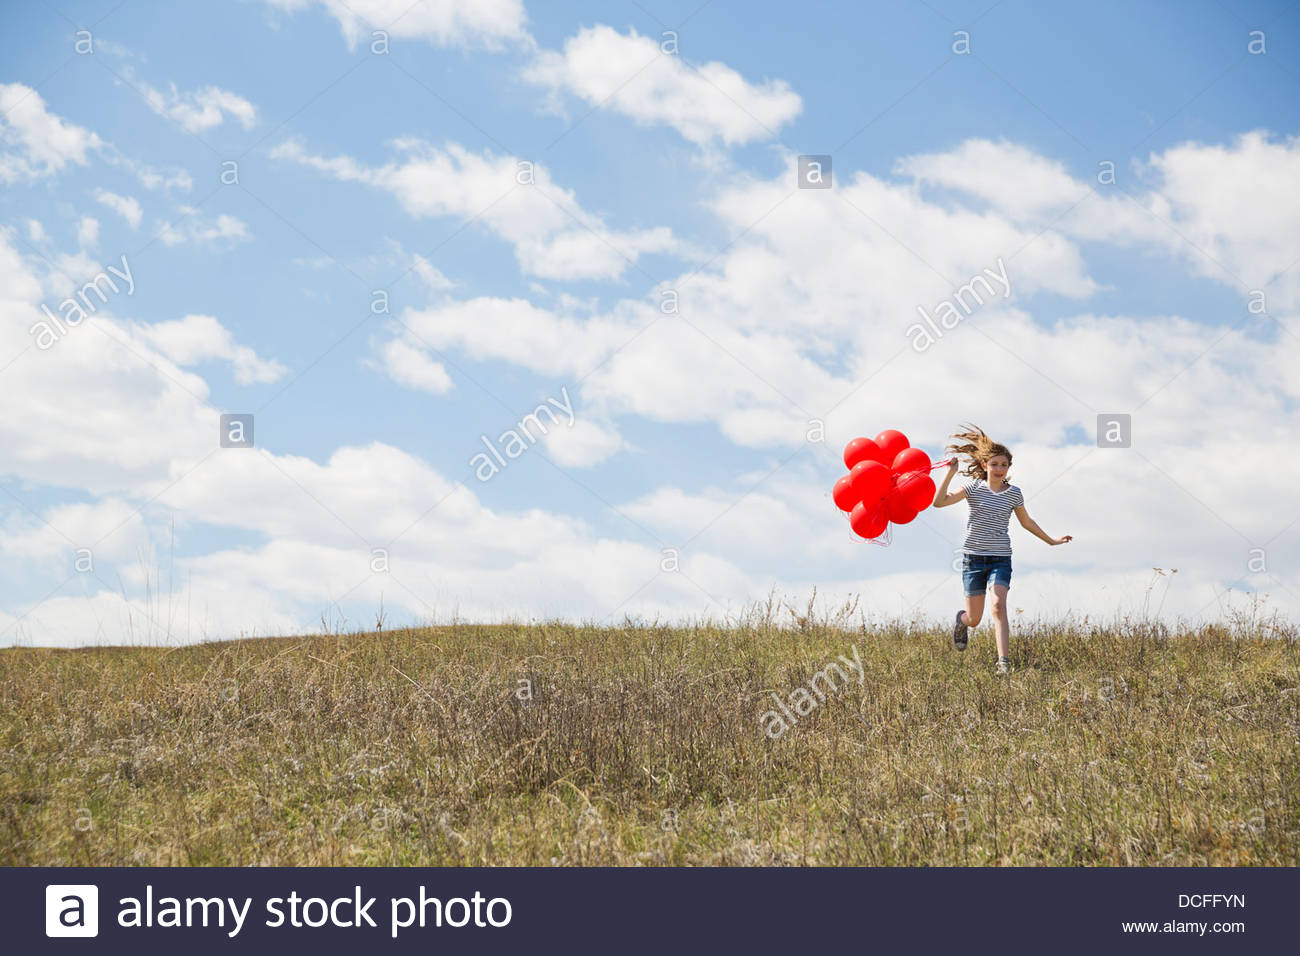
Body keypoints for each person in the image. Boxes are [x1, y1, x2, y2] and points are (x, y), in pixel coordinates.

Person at [932, 425, 1072, 674]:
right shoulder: (973, 489)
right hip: (973, 559)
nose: (999, 469)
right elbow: (939, 503)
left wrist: (1052, 541)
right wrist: (950, 474)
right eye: (994, 464)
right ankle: (961, 621)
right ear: (985, 465)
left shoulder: (1014, 494)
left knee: (998, 605)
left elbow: (1027, 522)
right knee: (974, 619)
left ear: (1009, 468)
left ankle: (1003, 663)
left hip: (1000, 558)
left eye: (1004, 465)